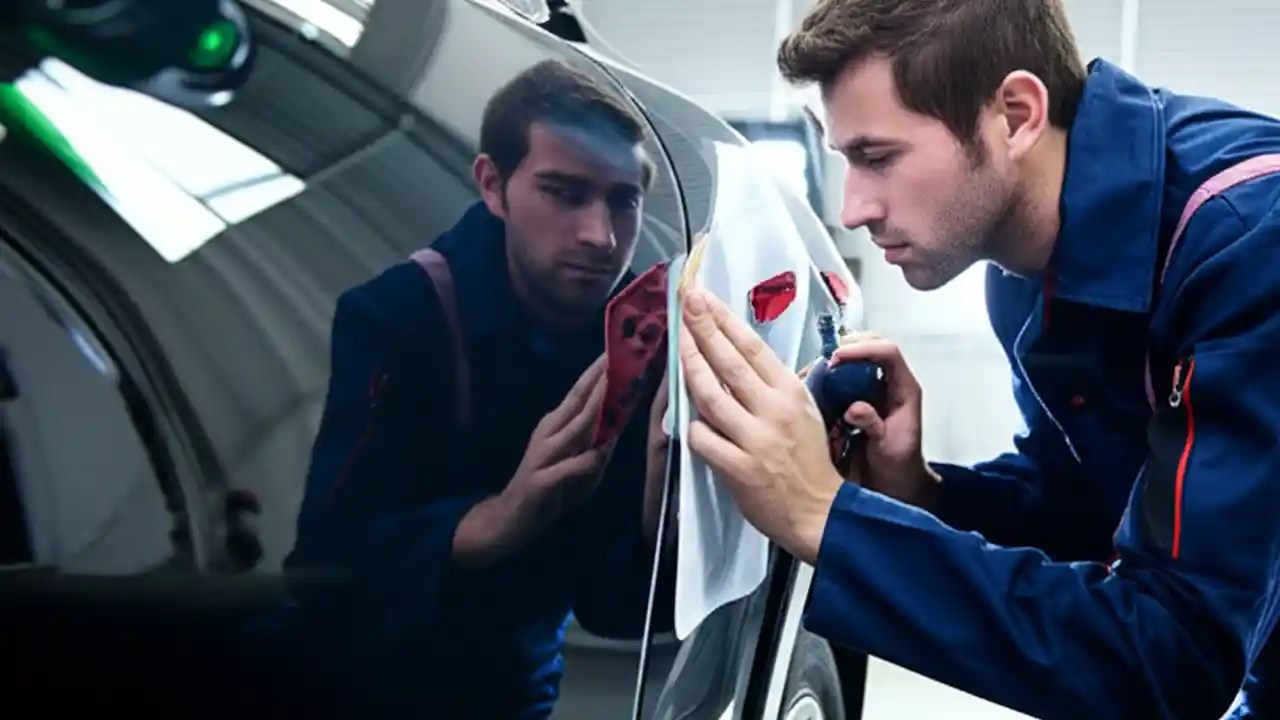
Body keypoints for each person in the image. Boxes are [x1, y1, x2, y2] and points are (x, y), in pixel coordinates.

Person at [675, 1, 1279, 718]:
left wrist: (822, 516)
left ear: (1017, 114)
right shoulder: (1023, 271)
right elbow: (1093, 508)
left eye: (877, 156)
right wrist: (924, 494)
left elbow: (1173, 660)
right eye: (844, 160)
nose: (853, 208)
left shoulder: (1250, 242)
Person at [273, 59, 672, 718]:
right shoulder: (400, 315)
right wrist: (496, 519)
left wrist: (663, 515)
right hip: (346, 689)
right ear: (493, 185)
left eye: (622, 199)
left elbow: (611, 607)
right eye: (563, 192)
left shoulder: (637, 335)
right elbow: (323, 569)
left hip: (515, 689)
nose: (601, 237)